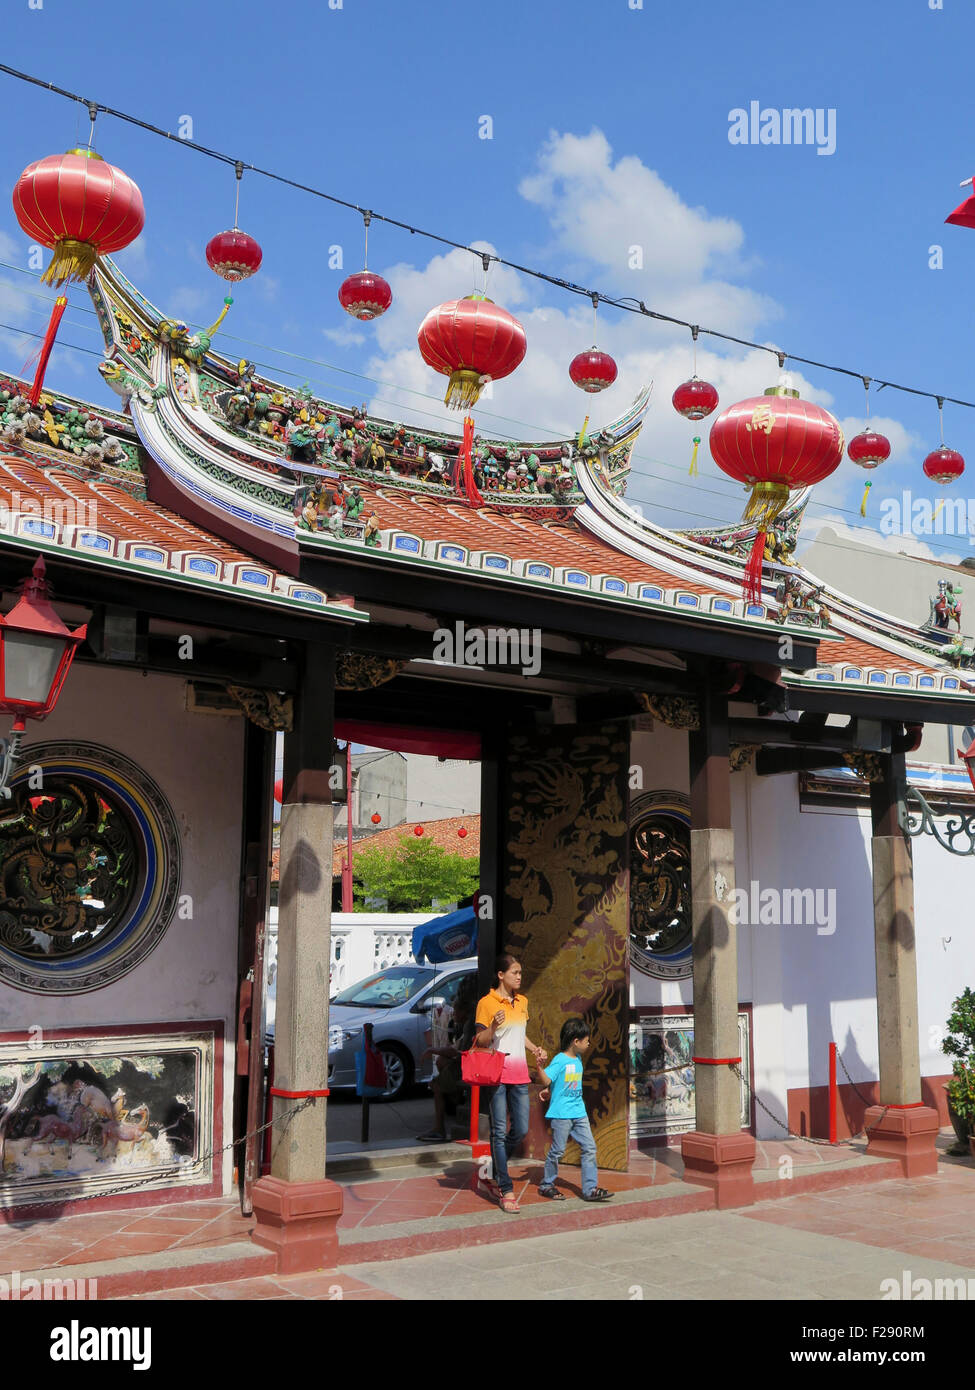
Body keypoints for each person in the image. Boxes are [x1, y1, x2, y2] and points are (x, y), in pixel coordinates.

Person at [473, 954, 547, 1214]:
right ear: (501, 975)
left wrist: (534, 1048)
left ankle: (492, 1168)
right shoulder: (487, 1003)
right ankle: (505, 1189)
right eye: (514, 972)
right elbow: (480, 1040)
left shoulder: (522, 1001)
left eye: (520, 972)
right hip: (496, 1075)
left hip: (519, 1074)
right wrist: (493, 1026)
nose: (519, 976)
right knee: (498, 1131)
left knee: (520, 1129)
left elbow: (520, 1033)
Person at [535, 1017, 612, 1202]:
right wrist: (540, 1068)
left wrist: (550, 1091)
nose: (588, 1043)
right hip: (562, 1114)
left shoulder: (577, 1059)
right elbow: (547, 1079)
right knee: (558, 1150)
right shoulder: (560, 1060)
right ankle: (546, 1184)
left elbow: (564, 1082)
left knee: (589, 1147)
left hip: (579, 1112)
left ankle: (590, 1189)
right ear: (575, 1041)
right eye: (586, 1040)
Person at [416, 974, 478, 1143]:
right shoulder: (467, 1025)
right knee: (440, 1063)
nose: (453, 1013)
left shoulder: (470, 1025)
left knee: (436, 1084)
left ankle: (439, 1128)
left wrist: (434, 1049)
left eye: (456, 1010)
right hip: (464, 1063)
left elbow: (457, 1052)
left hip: (466, 1066)